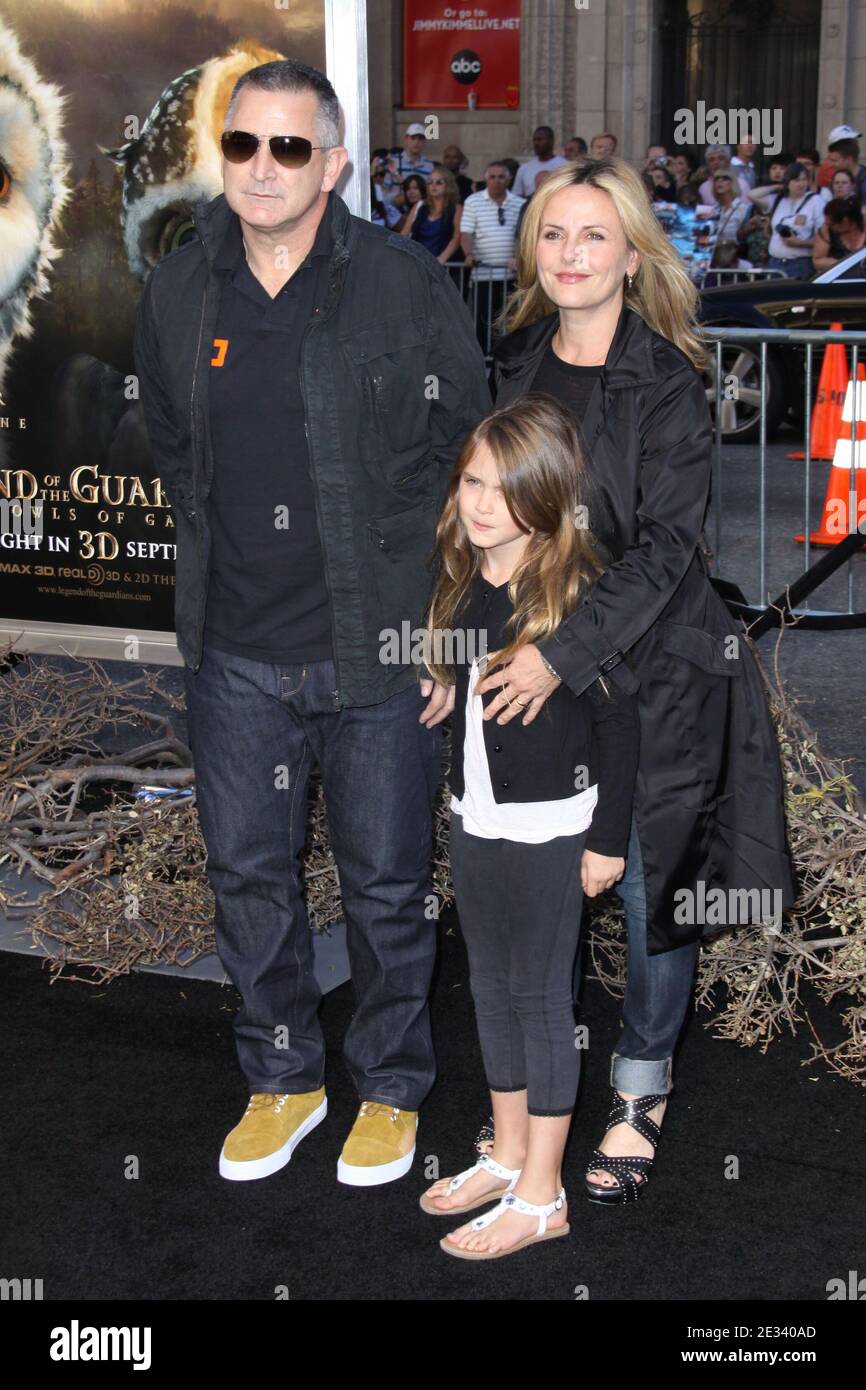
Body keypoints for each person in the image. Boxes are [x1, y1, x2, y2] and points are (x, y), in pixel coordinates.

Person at [134, 58, 492, 1188]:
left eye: (289, 148)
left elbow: (468, 471)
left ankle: (388, 1087)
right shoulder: (180, 289)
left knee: (387, 880)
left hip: (376, 649)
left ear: (334, 164)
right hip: (233, 651)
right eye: (242, 145)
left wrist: (447, 628)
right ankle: (284, 1078)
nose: (260, 168)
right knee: (247, 873)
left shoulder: (402, 286)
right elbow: (179, 459)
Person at [421, 156, 794, 1203]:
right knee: (540, 888)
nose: (571, 254)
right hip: (539, 672)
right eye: (552, 234)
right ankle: (528, 1102)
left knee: (640, 886)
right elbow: (482, 525)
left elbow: (666, 548)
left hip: (653, 673)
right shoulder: (519, 368)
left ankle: (639, 1086)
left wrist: (563, 652)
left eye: (594, 236)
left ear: (631, 254)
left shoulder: (667, 382)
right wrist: (454, 654)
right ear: (531, 252)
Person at [417, 395, 640, 1258]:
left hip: (557, 827)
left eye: (503, 492)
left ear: (546, 498)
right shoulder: (459, 578)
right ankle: (508, 1152)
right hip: (477, 818)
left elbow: (623, 726)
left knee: (544, 1001)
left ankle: (545, 1194)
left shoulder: (582, 594)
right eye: (472, 481)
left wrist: (608, 840)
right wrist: (436, 683)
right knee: (491, 987)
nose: (479, 504)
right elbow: (454, 674)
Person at [459, 161, 525, 354]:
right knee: (483, 322)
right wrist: (469, 254)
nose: (496, 181)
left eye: (501, 177)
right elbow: (466, 233)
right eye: (492, 177)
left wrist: (518, 257)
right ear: (486, 179)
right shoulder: (473, 201)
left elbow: (523, 236)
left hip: (511, 276)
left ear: (509, 179)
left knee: (511, 321)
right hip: (483, 274)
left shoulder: (519, 203)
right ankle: (483, 362)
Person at [748, 161, 823, 277]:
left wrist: (800, 243)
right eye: (796, 180)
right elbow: (752, 195)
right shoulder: (778, 200)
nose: (801, 184)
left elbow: (822, 238)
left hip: (800, 263)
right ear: (788, 181)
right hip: (775, 263)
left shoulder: (816, 201)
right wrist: (778, 186)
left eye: (804, 180)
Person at [401, 163, 463, 264]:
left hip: (444, 265)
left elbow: (457, 237)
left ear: (448, 185)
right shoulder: (420, 206)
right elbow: (405, 234)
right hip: (419, 263)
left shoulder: (456, 208)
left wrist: (441, 258)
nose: (433, 185)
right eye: (430, 182)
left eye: (439, 182)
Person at [512, 125, 569, 199]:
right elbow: (516, 195)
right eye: (534, 140)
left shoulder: (565, 166)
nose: (536, 143)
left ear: (551, 141)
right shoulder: (524, 168)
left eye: (540, 139)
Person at [812, 196, 866, 273]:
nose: (827, 225)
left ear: (845, 221)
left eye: (831, 224)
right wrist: (843, 264)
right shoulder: (826, 230)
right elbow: (817, 261)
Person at [825, 125, 866, 205]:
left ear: (848, 159)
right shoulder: (833, 181)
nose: (832, 165)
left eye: (835, 161)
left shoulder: (863, 181)